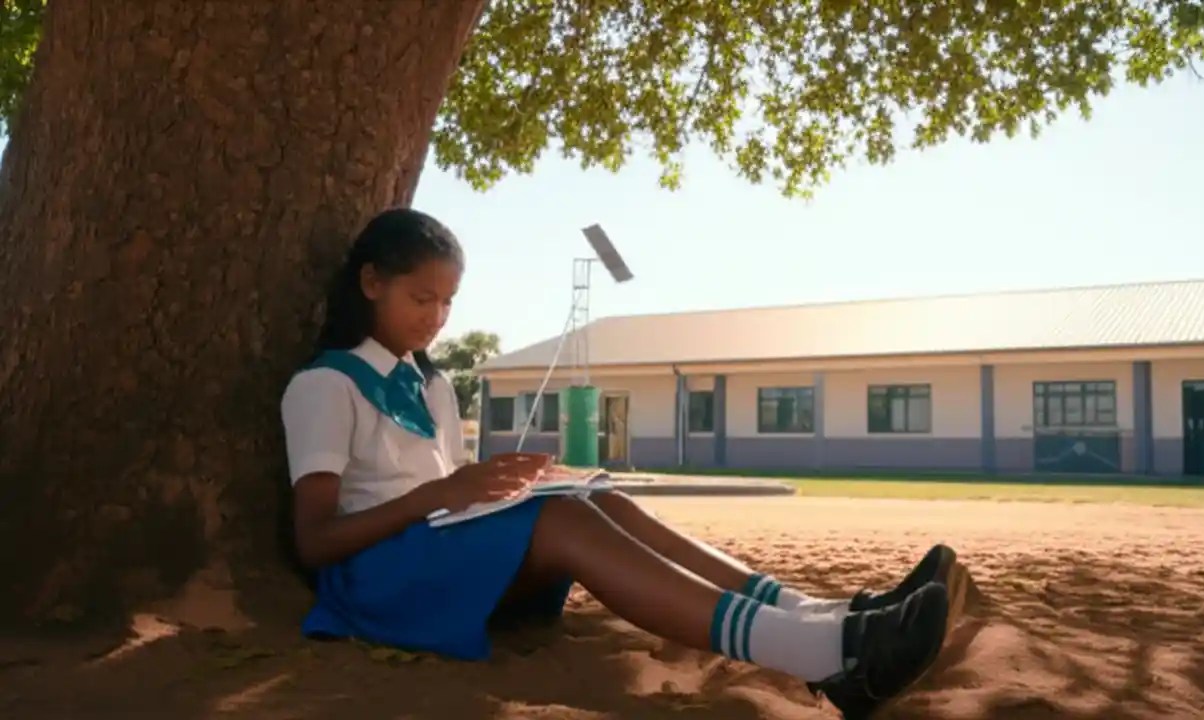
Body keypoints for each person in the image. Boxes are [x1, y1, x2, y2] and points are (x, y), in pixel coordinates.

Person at [281, 208, 960, 718]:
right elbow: (315, 541)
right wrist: (443, 495)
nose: (437, 318)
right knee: (564, 522)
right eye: (421, 299)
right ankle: (826, 654)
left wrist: (503, 487)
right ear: (371, 282)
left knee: (595, 499)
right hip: (378, 582)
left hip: (441, 556)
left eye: (448, 301)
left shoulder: (431, 385)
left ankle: (822, 614)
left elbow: (451, 496)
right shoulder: (325, 386)